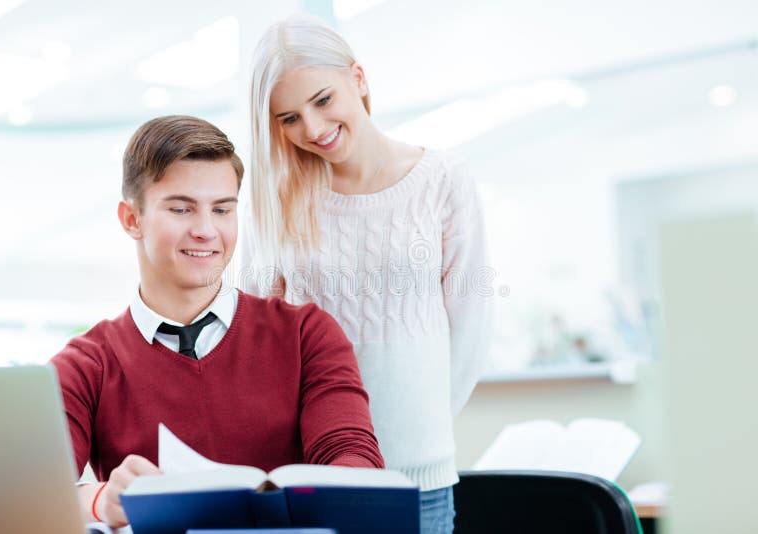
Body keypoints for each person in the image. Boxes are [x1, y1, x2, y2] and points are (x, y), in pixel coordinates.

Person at [50, 115, 384, 529]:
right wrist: (102, 499)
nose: (207, 230)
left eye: (222, 209)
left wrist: (339, 490)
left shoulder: (305, 334)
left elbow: (352, 453)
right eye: (181, 209)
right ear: (132, 219)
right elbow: (34, 492)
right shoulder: (87, 363)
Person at [243, 14, 493, 534]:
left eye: (322, 100)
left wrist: (421, 432)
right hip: (315, 478)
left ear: (357, 79)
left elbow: (471, 323)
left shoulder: (442, 179)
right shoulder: (278, 202)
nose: (312, 129)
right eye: (287, 118)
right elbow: (256, 344)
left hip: (418, 477)